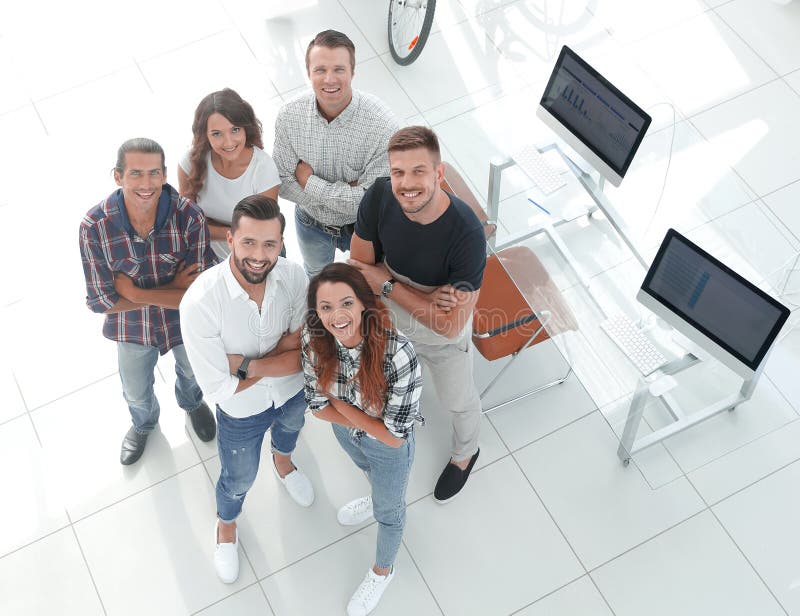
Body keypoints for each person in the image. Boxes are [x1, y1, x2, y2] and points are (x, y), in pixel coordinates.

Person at [179, 195, 314, 584]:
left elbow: (304, 351)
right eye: (249, 243)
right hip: (241, 412)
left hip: (291, 392)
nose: (259, 255)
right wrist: (281, 352)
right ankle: (226, 524)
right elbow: (220, 391)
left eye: (270, 244)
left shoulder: (294, 276)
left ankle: (284, 464)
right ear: (230, 239)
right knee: (238, 478)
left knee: (289, 432)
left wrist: (244, 364)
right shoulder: (201, 304)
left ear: (281, 243)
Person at [348, 126, 487, 503]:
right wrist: (423, 298)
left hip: (442, 342)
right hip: (390, 321)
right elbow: (358, 266)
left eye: (418, 172)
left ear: (438, 174)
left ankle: (466, 453)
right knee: (379, 382)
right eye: (398, 172)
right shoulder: (379, 195)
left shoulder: (467, 236)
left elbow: (449, 325)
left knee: (458, 401)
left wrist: (389, 282)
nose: (406, 184)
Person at [79, 137, 218, 466]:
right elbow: (101, 302)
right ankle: (143, 424)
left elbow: (201, 295)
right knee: (136, 391)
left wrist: (136, 293)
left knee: (193, 372)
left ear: (165, 175)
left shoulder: (190, 218)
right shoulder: (94, 228)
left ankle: (192, 403)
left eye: (154, 173)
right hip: (132, 327)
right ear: (117, 176)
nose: (146, 183)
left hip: (186, 322)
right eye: (136, 174)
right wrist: (174, 287)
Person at [302, 263, 422, 616]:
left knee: (391, 512)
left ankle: (383, 571)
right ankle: (376, 496)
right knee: (365, 468)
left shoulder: (398, 354)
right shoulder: (314, 338)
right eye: (325, 307)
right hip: (347, 433)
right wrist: (356, 419)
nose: (336, 316)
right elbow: (316, 406)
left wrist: (340, 403)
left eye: (346, 303)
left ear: (364, 304)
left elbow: (395, 438)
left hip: (388, 448)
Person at [272, 29, 399, 278]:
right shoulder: (289, 117)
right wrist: (348, 190)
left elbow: (368, 201)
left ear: (352, 71)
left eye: (339, 69)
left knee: (368, 284)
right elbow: (283, 184)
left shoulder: (383, 126)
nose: (329, 79)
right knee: (317, 279)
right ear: (309, 73)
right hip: (311, 224)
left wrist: (309, 181)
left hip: (364, 226)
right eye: (320, 70)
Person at [178, 88, 281, 260]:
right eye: (217, 134)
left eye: (235, 130)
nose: (228, 142)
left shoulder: (263, 168)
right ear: (205, 135)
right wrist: (237, 230)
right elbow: (186, 224)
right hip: (207, 254)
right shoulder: (190, 162)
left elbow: (261, 233)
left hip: (254, 256)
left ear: (245, 128)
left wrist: (209, 227)